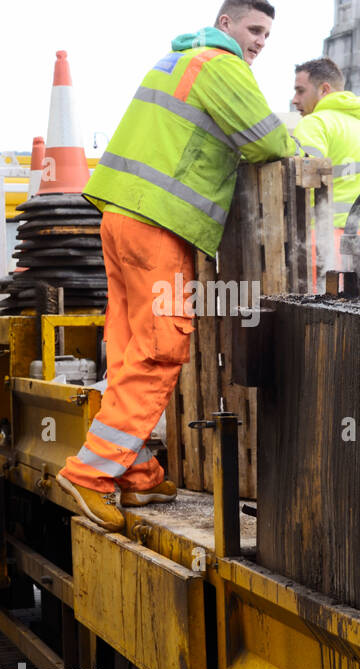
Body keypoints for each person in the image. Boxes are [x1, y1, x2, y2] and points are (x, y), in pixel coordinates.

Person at [59, 0, 296, 531]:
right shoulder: (221, 64)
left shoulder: (171, 62)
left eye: (267, 35)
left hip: (121, 216)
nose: (260, 41)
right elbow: (270, 140)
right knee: (162, 346)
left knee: (127, 345)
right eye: (254, 30)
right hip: (159, 224)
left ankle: (134, 470)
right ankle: (90, 475)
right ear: (226, 25)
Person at [290, 57, 360, 236]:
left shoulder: (316, 123)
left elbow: (304, 184)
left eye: (300, 91)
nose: (294, 100)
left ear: (324, 89)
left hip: (334, 239)